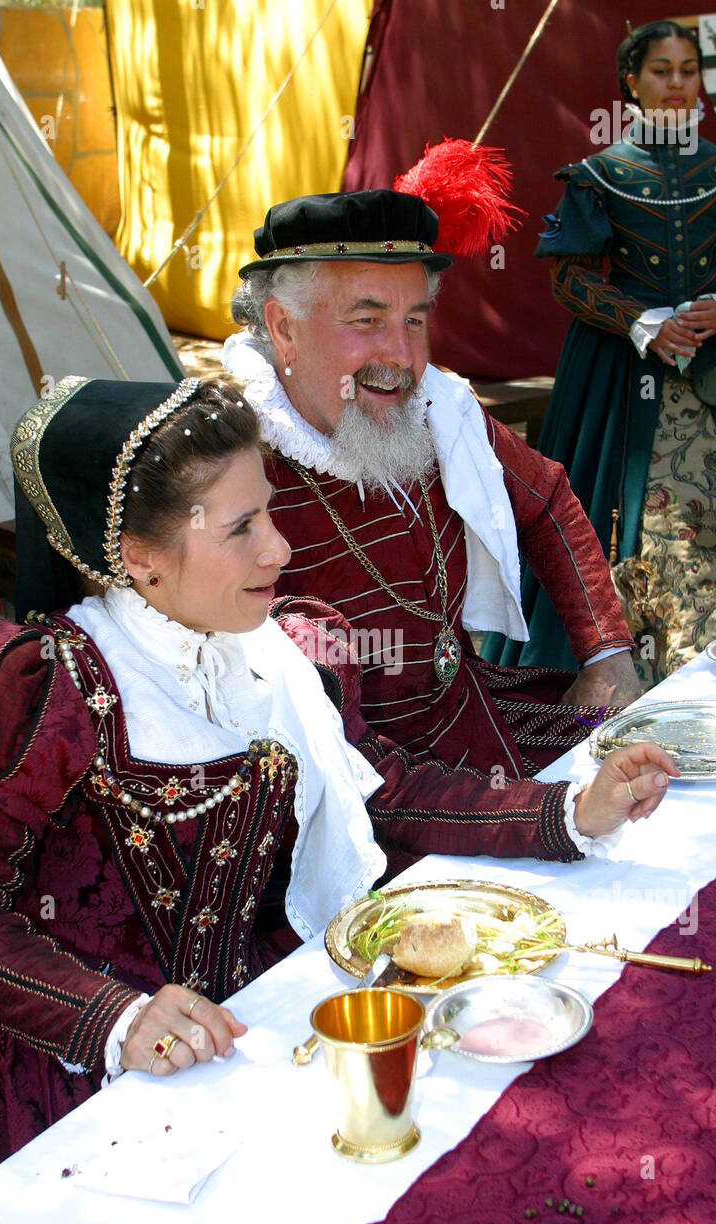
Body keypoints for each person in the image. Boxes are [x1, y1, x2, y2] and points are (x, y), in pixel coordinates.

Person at [0, 375, 674, 1219]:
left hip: (242, 1041)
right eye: (241, 529)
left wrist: (567, 812)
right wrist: (111, 1017)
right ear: (138, 560)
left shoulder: (273, 654)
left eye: (268, 513)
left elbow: (385, 789)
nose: (278, 549)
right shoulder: (47, 687)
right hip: (62, 1069)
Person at [225, 188, 643, 781]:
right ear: (283, 328)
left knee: (654, 762)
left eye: (414, 320)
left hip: (474, 714)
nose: (400, 355)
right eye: (367, 320)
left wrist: (606, 653)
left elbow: (547, 498)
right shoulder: (235, 461)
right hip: (348, 782)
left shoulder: (441, 412)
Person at [501, 19, 716, 686]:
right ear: (632, 81)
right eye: (663, 70)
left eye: (688, 71)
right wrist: (643, 321)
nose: (677, 84)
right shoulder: (600, 175)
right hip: (621, 378)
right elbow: (569, 276)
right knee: (614, 519)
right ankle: (624, 672)